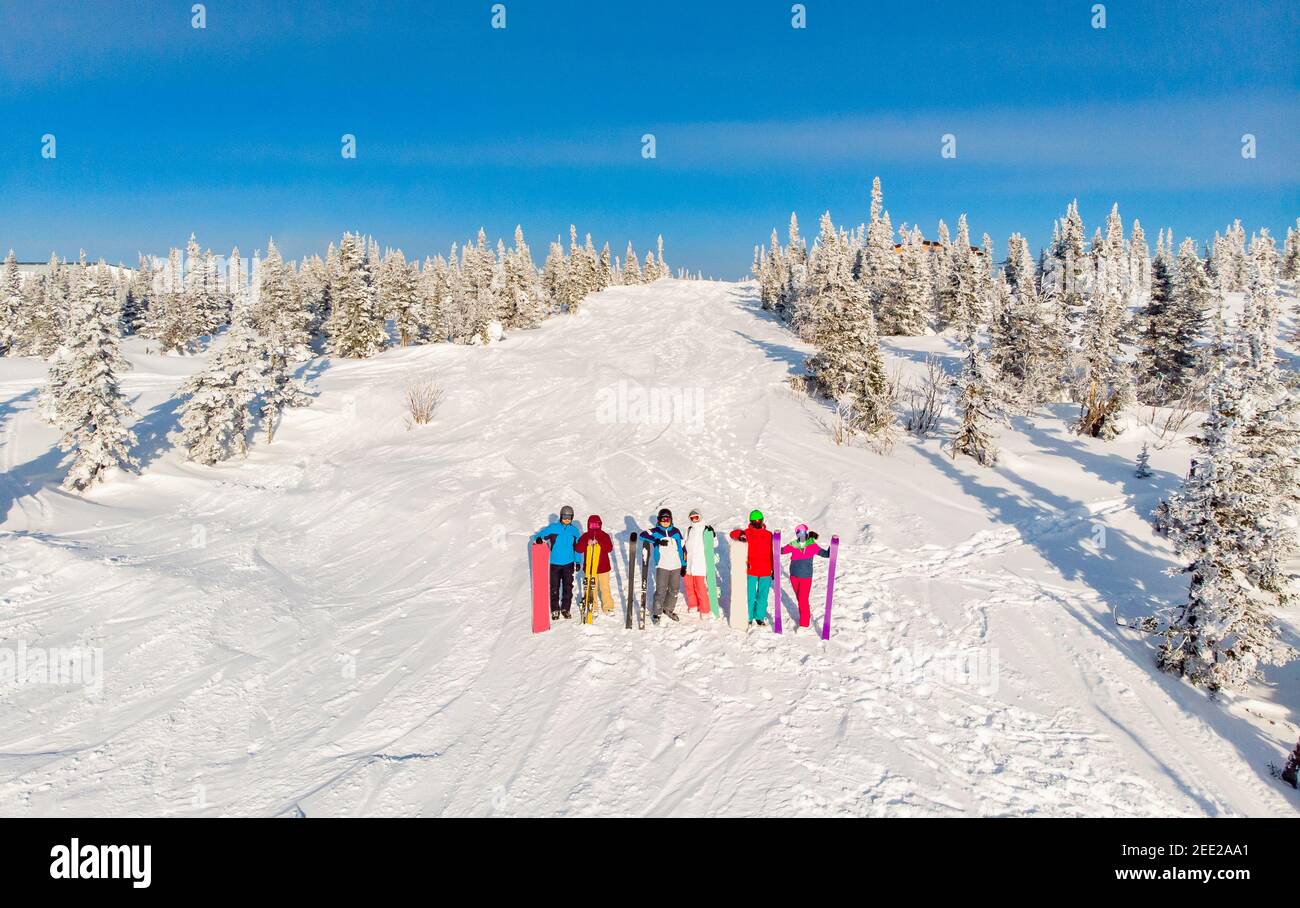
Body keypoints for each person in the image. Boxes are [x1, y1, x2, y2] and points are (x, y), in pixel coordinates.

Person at [533, 505, 583, 620]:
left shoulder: (574, 531)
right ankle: (555, 610)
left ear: (572, 517)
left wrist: (578, 561)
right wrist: (539, 539)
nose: (566, 519)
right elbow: (539, 535)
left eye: (569, 517)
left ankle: (566, 609)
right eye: (564, 516)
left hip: (568, 564)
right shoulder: (553, 528)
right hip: (554, 563)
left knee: (567, 587)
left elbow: (577, 548)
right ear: (561, 516)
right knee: (554, 587)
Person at [729, 509, 774, 626]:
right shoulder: (747, 532)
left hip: (766, 569)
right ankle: (748, 616)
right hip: (751, 569)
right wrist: (741, 535)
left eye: (759, 520)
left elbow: (771, 552)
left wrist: (773, 568)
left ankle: (759, 616)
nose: (757, 522)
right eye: (754, 521)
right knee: (750, 594)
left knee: (763, 595)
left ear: (763, 520)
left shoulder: (769, 534)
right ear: (751, 521)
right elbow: (732, 534)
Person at [780, 524, 830, 629]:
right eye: (798, 532)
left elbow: (825, 554)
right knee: (801, 599)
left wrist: (832, 547)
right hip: (794, 576)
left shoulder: (812, 545)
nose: (801, 534)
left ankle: (804, 623)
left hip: (806, 577)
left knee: (802, 599)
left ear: (806, 532)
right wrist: (773, 543)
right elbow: (781, 551)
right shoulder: (793, 544)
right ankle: (805, 612)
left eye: (802, 532)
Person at [644, 507, 685, 624]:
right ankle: (657, 613)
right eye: (663, 519)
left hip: (676, 566)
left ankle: (668, 609)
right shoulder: (656, 531)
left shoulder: (676, 532)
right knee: (661, 590)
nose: (665, 521)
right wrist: (655, 541)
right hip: (662, 565)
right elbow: (642, 535)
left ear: (671, 520)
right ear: (659, 520)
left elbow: (682, 548)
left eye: (667, 519)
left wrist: (684, 564)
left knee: (674, 589)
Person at [574, 514, 616, 615]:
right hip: (589, 568)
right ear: (588, 525)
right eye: (592, 525)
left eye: (596, 525)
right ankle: (593, 606)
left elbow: (609, 548)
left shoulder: (604, 535)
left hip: (603, 568)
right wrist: (586, 543)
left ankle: (608, 607)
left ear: (600, 525)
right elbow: (578, 549)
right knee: (591, 588)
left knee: (605, 588)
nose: (594, 527)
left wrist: (600, 542)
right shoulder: (585, 536)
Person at [682, 508, 716, 618]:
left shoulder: (706, 530)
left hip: (700, 564)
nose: (694, 520)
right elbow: (683, 544)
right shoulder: (688, 529)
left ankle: (705, 610)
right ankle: (693, 605)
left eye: (696, 517)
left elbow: (713, 545)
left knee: (700, 587)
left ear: (700, 517)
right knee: (689, 586)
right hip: (688, 564)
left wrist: (713, 534)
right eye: (692, 518)